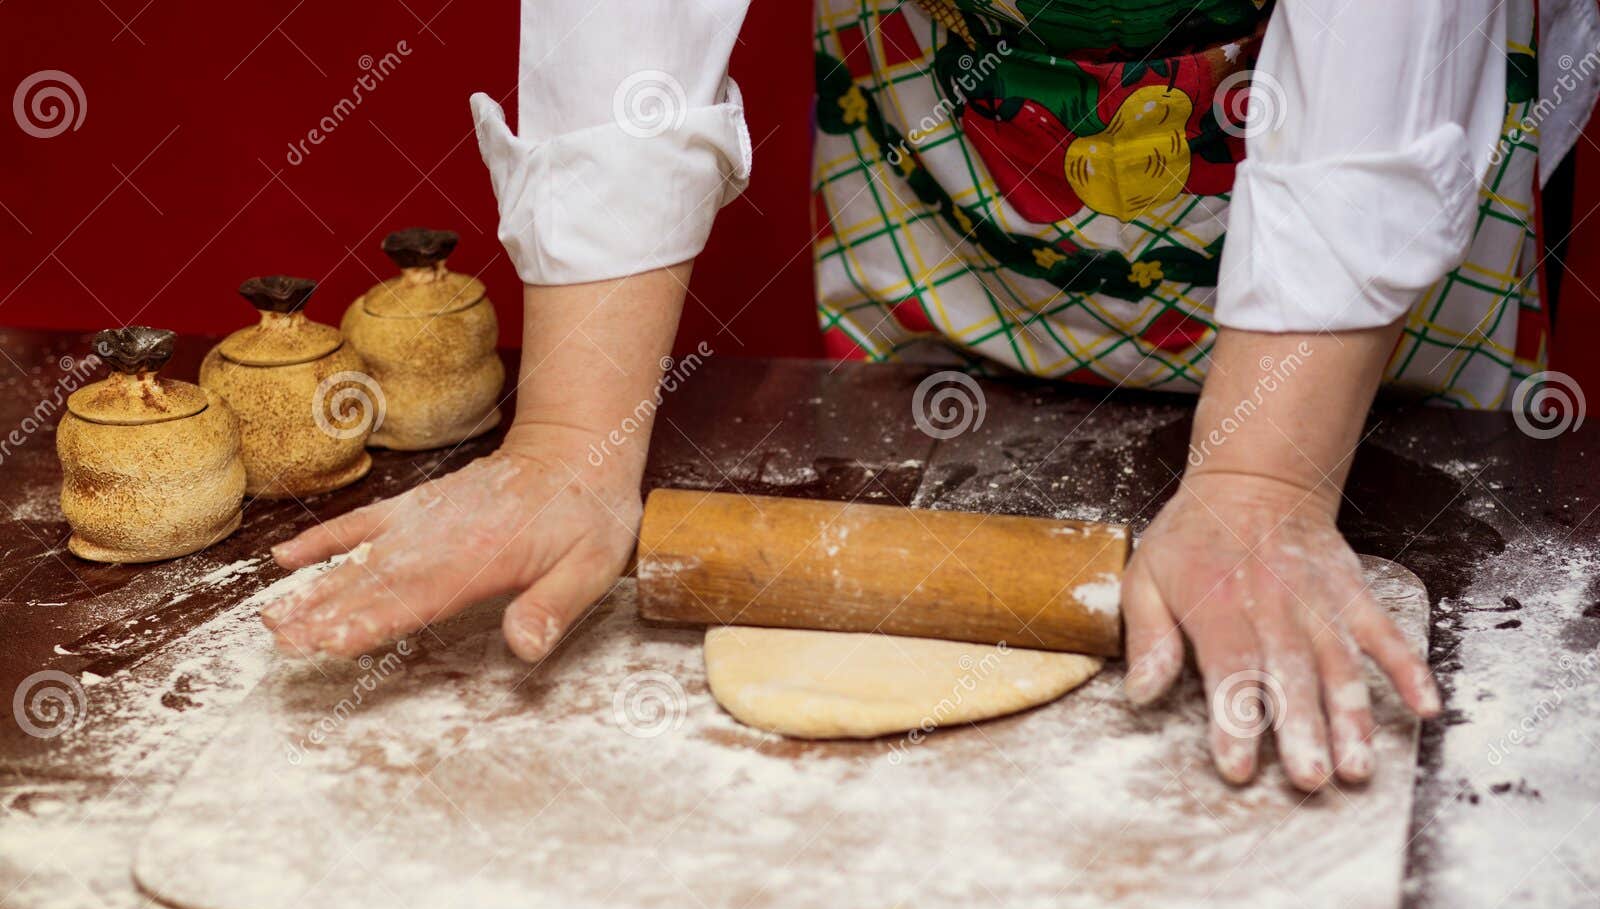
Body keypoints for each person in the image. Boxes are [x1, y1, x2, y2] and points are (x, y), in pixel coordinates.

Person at [262, 0, 1598, 791]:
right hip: (963, 105)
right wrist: (565, 441)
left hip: (1366, 114)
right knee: (941, 451)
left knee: (1427, 515)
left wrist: (1266, 482)